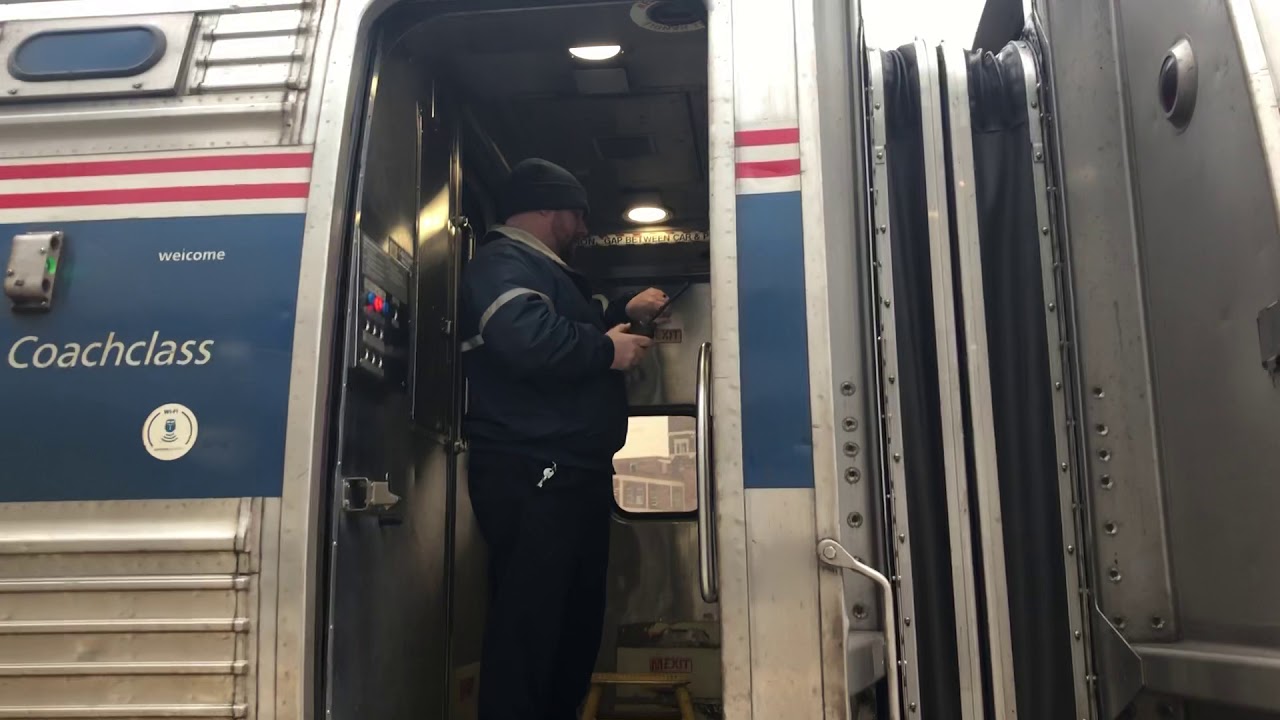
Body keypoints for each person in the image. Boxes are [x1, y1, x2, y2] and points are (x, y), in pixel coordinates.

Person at [459, 157, 669, 720]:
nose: (582, 227)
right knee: (531, 627)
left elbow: (578, 315)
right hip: (533, 468)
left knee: (571, 628)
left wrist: (624, 311)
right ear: (547, 207)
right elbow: (523, 336)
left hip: (566, 470)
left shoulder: (541, 269)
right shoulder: (501, 263)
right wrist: (607, 350)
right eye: (577, 214)